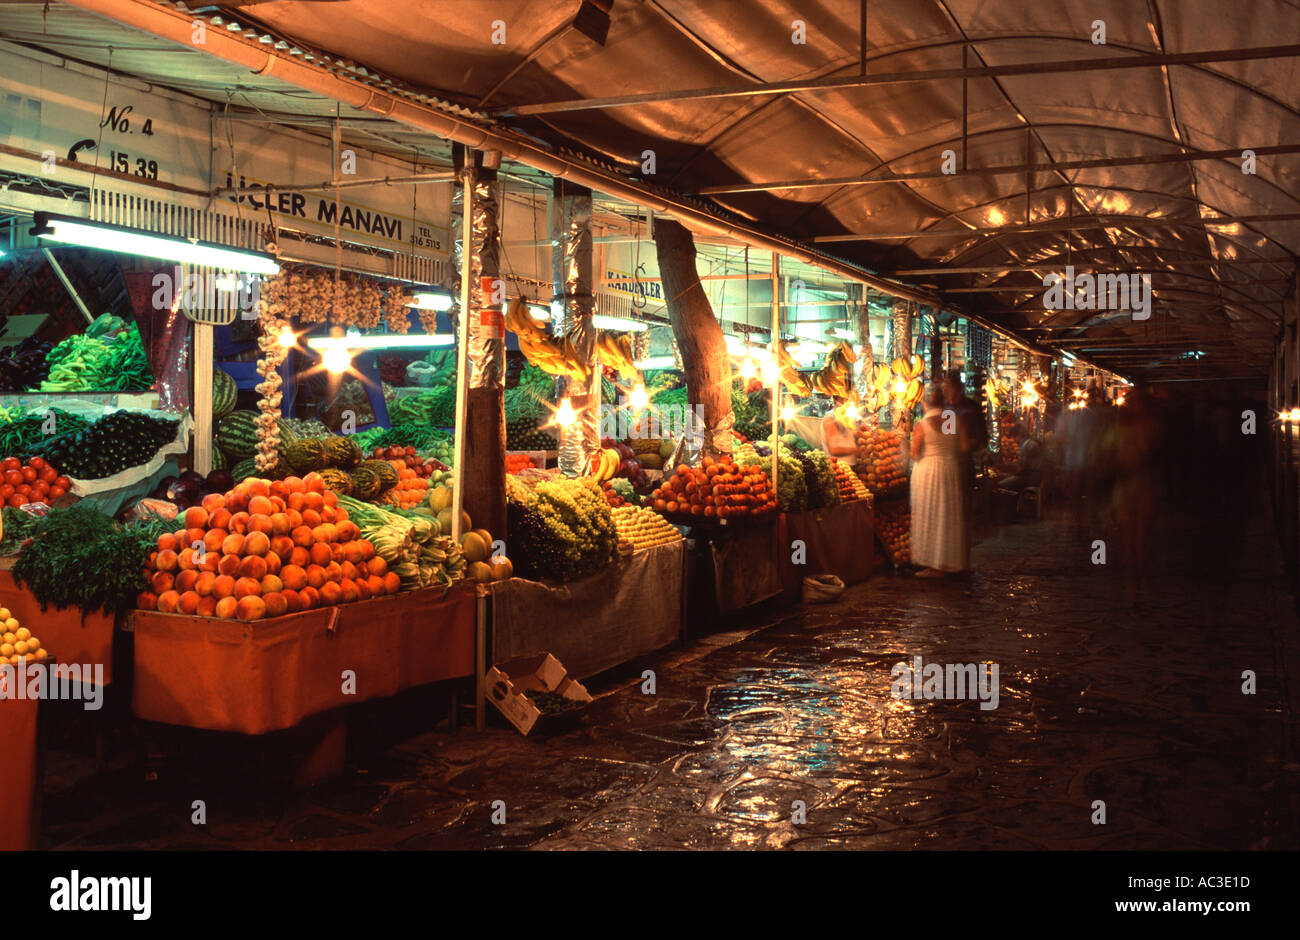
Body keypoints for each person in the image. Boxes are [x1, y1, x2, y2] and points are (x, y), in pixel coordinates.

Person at [910, 384, 971, 577]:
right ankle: (948, 561)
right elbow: (962, 447)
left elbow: (914, 453)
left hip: (929, 471)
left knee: (931, 513)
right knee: (946, 514)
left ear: (924, 402)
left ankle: (934, 565)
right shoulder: (950, 419)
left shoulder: (921, 424)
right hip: (949, 469)